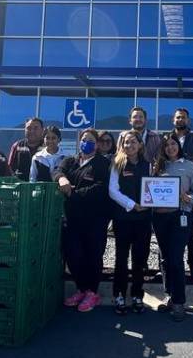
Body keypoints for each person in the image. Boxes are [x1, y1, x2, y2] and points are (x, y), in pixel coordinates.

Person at [54, 128, 113, 312]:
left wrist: (73, 193)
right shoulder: (70, 160)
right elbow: (57, 171)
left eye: (91, 140)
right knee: (73, 254)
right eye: (84, 139)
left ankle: (92, 292)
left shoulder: (103, 164)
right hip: (72, 218)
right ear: (79, 141)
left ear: (97, 144)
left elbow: (101, 188)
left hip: (95, 219)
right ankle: (81, 288)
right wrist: (62, 178)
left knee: (93, 255)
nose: (87, 142)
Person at [152, 134, 193, 321]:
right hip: (160, 216)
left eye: (173, 144)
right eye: (166, 145)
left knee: (175, 258)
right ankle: (169, 295)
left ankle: (179, 301)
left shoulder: (189, 165)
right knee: (164, 258)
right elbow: (150, 189)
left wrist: (190, 199)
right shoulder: (158, 166)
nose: (170, 147)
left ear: (178, 146)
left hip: (181, 215)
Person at [107, 131, 152, 315]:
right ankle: (119, 295)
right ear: (122, 145)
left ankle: (137, 295)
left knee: (140, 260)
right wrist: (132, 205)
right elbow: (112, 190)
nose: (129, 145)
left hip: (143, 220)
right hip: (123, 219)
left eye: (133, 142)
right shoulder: (117, 164)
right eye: (126, 142)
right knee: (121, 259)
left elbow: (154, 187)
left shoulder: (148, 165)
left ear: (140, 145)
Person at [171, 107, 193, 281]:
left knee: (190, 231)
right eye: (177, 117)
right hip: (169, 195)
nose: (180, 120)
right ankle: (170, 265)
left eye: (183, 117)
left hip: (189, 192)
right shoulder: (167, 139)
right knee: (170, 231)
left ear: (188, 120)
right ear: (173, 120)